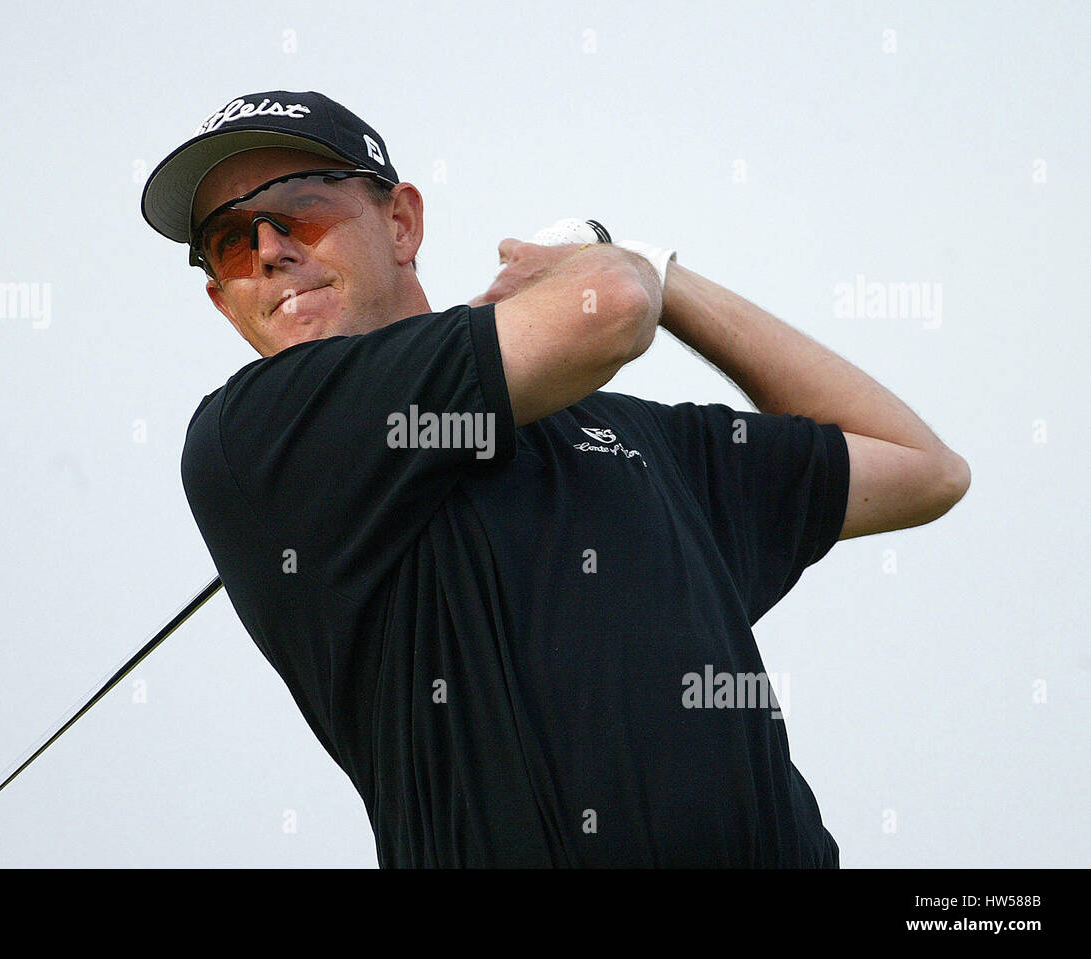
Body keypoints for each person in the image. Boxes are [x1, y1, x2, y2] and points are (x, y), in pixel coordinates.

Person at [142, 90, 970, 867]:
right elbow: (607, 306)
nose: (270, 250)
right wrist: (609, 260)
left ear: (400, 224)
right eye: (230, 239)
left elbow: (922, 467)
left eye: (301, 204)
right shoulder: (251, 436)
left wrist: (663, 274)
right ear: (223, 301)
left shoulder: (638, 437)